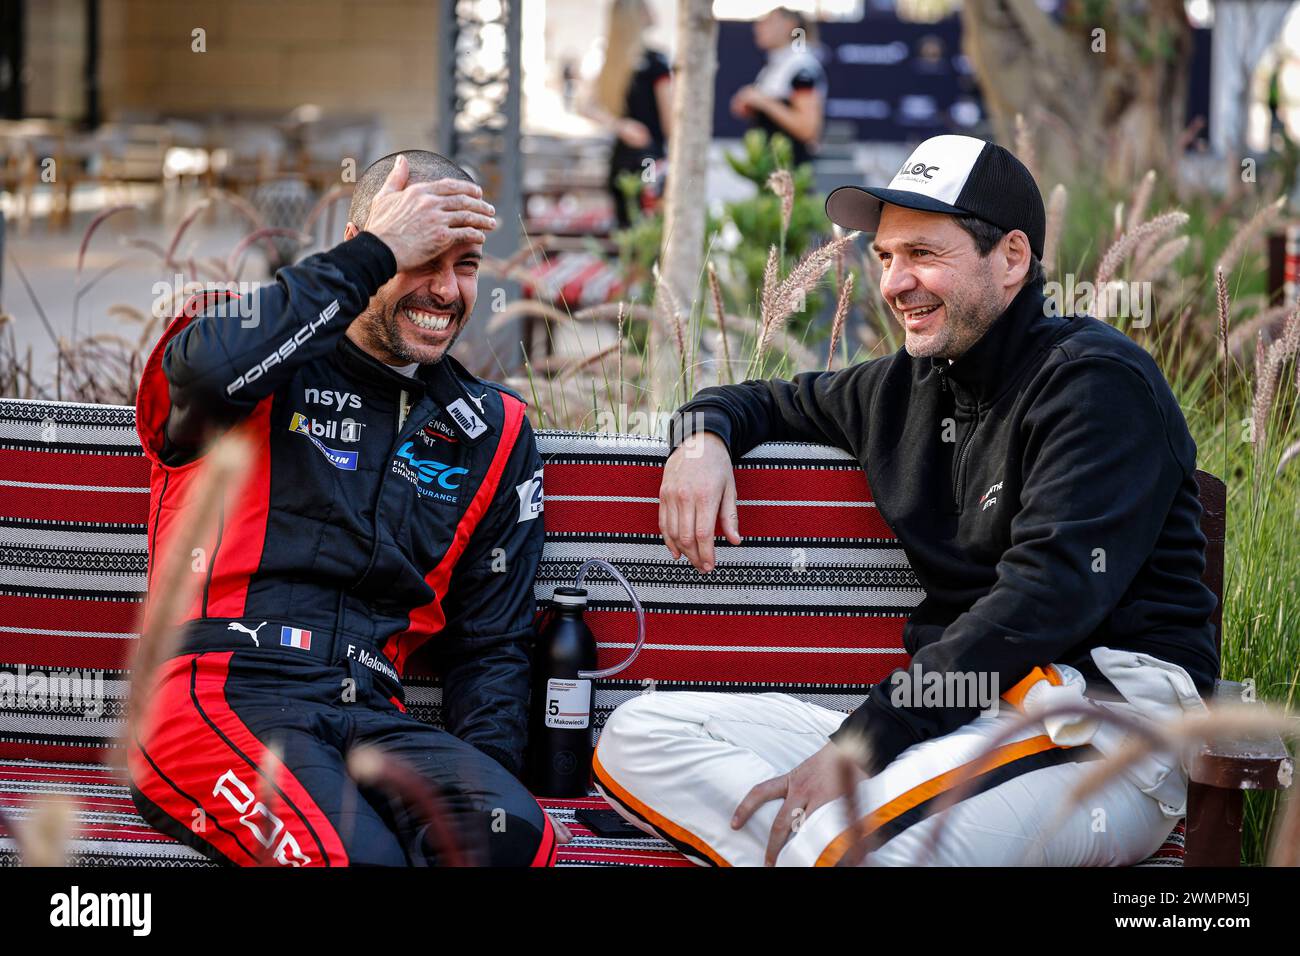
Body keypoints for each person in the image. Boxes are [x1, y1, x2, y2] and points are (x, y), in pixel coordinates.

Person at [592, 134, 1220, 866]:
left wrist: (865, 741)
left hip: (1096, 733)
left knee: (852, 843)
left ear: (1012, 257)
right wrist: (702, 438)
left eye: (923, 253)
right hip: (952, 724)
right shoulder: (899, 387)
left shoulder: (1097, 385)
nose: (894, 283)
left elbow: (1042, 599)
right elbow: (760, 401)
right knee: (637, 737)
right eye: (886, 257)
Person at [128, 149, 563, 867]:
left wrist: (480, 785)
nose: (446, 291)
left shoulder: (492, 429)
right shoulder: (254, 353)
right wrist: (372, 254)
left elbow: (491, 647)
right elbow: (203, 374)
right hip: (217, 692)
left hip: (369, 713)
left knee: (514, 839)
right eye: (423, 257)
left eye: (465, 265)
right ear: (369, 239)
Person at [579, 0, 673, 229]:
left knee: (626, 231)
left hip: (620, 162)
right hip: (650, 159)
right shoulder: (655, 62)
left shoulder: (611, 60)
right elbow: (670, 122)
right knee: (648, 221)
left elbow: (584, 104)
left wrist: (619, 125)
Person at [730, 5, 827, 168]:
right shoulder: (775, 64)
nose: (758, 28)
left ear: (789, 25)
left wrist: (762, 101)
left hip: (793, 174)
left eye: (767, 22)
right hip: (771, 171)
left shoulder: (801, 66)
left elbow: (807, 129)